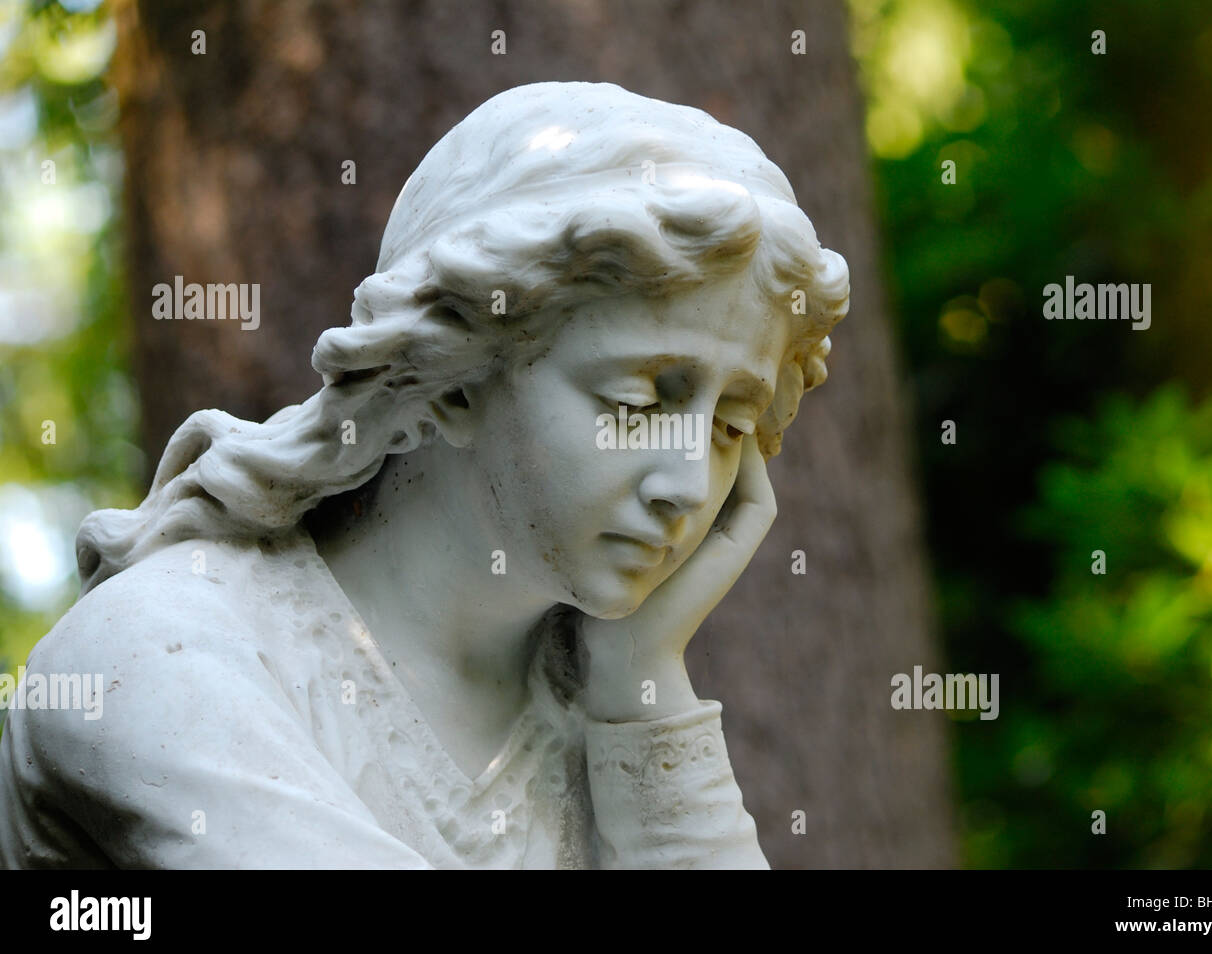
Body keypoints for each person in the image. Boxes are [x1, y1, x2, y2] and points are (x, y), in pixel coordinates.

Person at [0, 81, 849, 868]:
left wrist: (642, 679)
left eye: (731, 425)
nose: (691, 484)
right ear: (454, 378)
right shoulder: (163, 654)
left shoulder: (605, 714)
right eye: (637, 401)